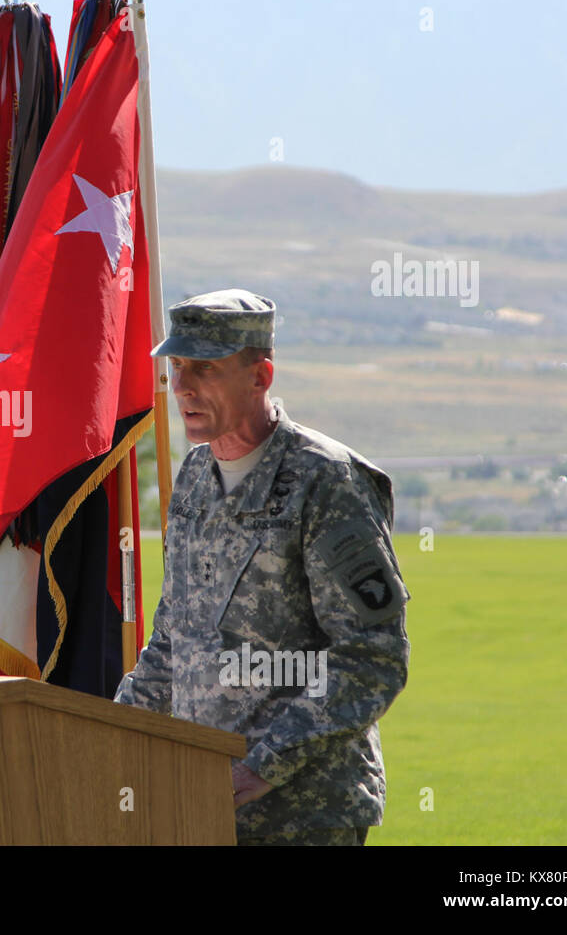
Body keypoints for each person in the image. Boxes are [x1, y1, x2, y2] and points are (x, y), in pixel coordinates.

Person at [115, 289, 410, 846]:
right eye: (176, 366)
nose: (181, 387)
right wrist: (108, 736)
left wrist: (264, 765)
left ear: (261, 375)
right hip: (201, 806)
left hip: (304, 814)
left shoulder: (326, 481)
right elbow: (173, 644)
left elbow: (372, 657)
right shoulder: (196, 476)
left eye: (204, 368)